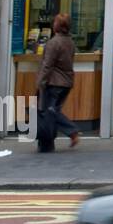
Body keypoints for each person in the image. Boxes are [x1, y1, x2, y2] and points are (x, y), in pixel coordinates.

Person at [36, 13, 80, 152]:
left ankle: (71, 131)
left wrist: (40, 82)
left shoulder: (53, 43)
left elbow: (47, 65)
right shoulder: (70, 42)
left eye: (55, 22)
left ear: (57, 26)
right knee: (52, 112)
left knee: (50, 112)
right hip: (66, 82)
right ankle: (47, 144)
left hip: (54, 82)